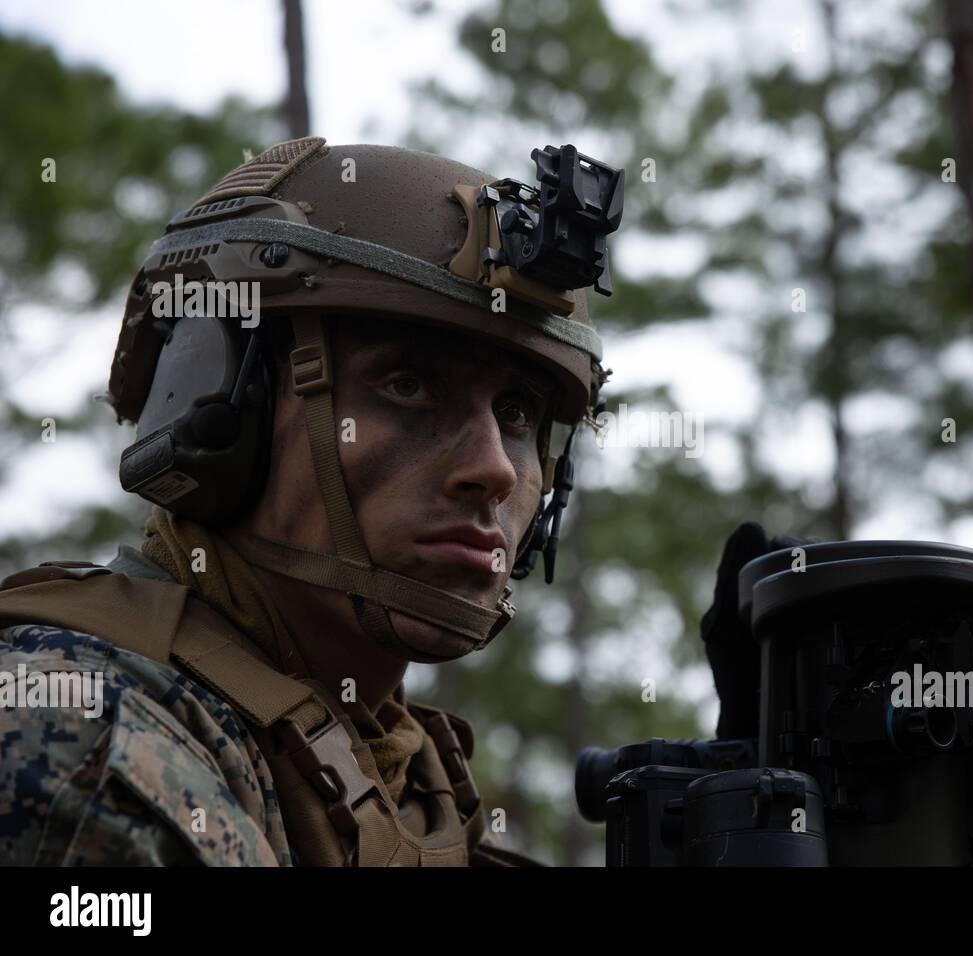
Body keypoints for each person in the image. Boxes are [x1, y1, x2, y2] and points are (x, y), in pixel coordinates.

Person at [0, 136, 623, 866]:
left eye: (516, 413)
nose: (494, 471)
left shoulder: (402, 773)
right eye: (407, 386)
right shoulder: (79, 731)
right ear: (225, 407)